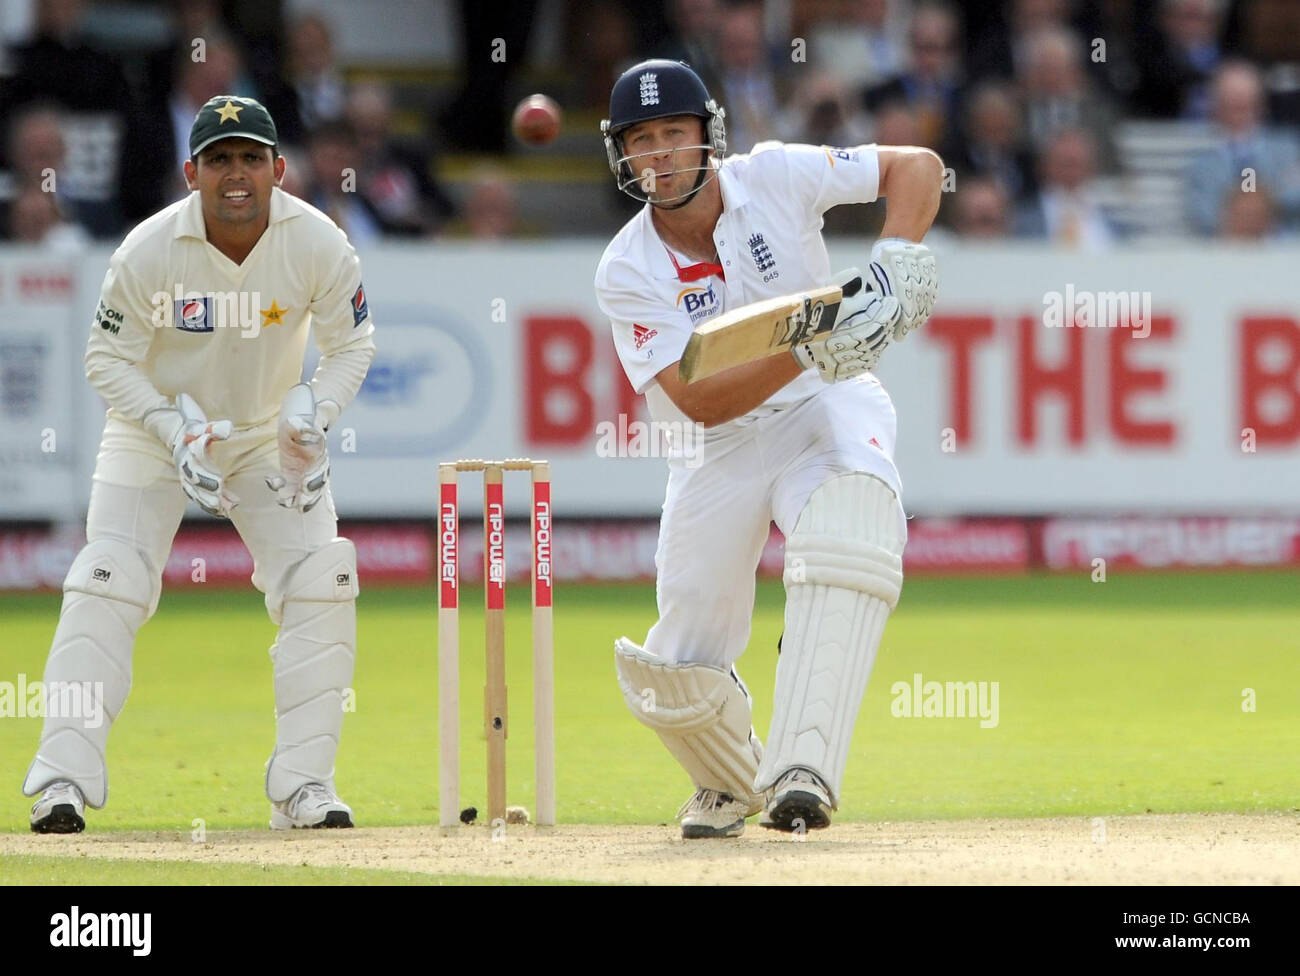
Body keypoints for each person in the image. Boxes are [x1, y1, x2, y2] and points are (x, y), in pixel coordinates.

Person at [595, 60, 940, 838]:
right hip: (716, 443)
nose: (658, 156)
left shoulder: (776, 173)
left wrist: (892, 268)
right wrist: (819, 340)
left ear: (708, 137)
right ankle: (726, 779)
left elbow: (915, 168)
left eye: (672, 135)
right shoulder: (626, 268)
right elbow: (701, 397)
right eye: (640, 141)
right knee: (674, 671)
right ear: (622, 156)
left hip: (826, 404)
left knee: (850, 526)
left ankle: (803, 771)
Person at [23, 95, 376, 833]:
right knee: (107, 580)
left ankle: (306, 788)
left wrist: (313, 410)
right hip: (153, 433)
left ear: (280, 169)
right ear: (192, 172)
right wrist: (164, 419)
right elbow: (105, 356)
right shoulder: (149, 249)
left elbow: (351, 346)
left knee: (323, 581)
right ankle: (61, 779)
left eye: (252, 158)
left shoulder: (318, 242)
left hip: (264, 435)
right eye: (220, 160)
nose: (236, 174)